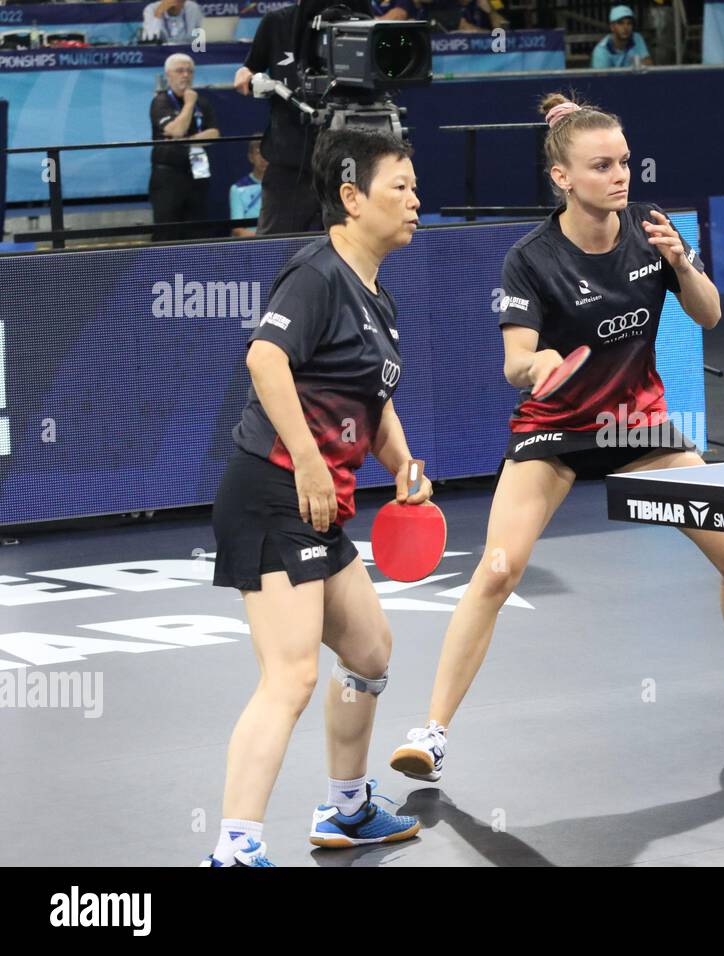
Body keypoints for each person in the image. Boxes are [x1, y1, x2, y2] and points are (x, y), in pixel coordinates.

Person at [388, 92, 724, 785]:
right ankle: (432, 732)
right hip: (556, 429)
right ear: (562, 177)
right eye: (601, 166)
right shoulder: (530, 259)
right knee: (497, 571)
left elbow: (710, 317)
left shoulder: (651, 233)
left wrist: (683, 263)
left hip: (638, 426)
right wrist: (540, 366)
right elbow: (515, 362)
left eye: (624, 162)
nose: (619, 176)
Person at [204, 128, 426, 867]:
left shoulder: (377, 299)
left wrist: (401, 463)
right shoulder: (317, 273)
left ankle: (347, 808)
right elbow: (265, 357)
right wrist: (304, 459)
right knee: (292, 673)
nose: (415, 200)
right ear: (353, 197)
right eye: (400, 187)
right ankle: (235, 848)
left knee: (368, 649)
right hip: (273, 491)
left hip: (319, 504)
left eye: (415, 186)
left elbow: (372, 402)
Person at [233, 5, 323, 235]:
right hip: (288, 163)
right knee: (274, 251)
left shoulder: (355, 21)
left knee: (347, 250)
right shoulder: (276, 22)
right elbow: (248, 72)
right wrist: (245, 73)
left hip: (342, 165)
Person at [149, 52, 220, 242]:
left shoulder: (203, 102)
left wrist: (184, 139)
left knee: (197, 230)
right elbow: (177, 129)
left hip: (197, 171)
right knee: (167, 231)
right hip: (168, 175)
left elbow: (214, 133)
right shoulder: (160, 102)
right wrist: (189, 104)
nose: (186, 75)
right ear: (168, 75)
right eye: (180, 71)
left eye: (189, 71)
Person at [230, 140, 267, 237]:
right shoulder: (237, 189)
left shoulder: (281, 188)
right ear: (251, 157)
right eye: (259, 153)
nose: (263, 158)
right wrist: (263, 240)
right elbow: (237, 230)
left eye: (267, 153)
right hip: (249, 245)